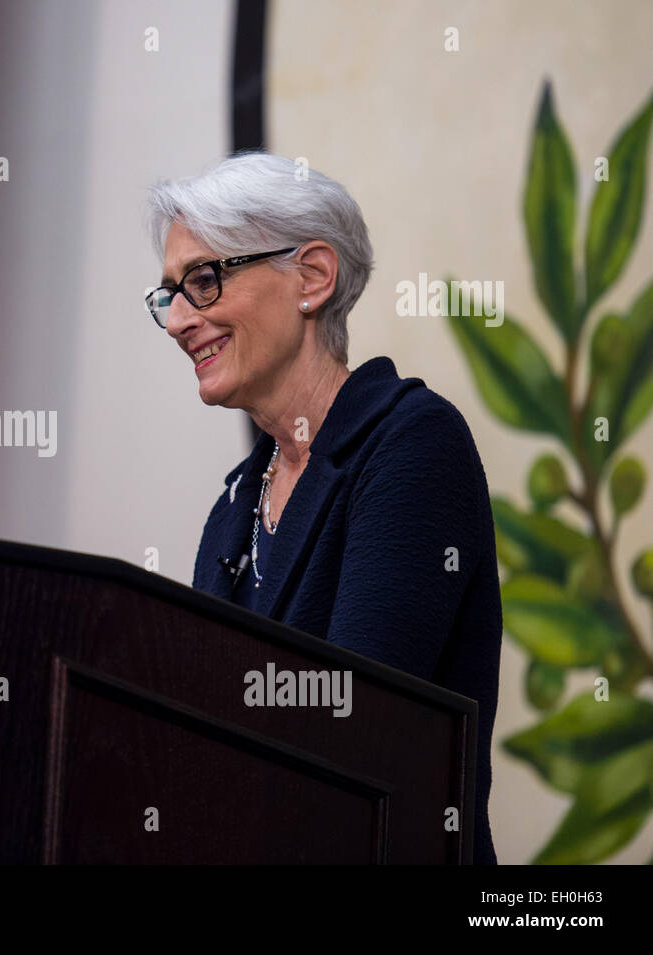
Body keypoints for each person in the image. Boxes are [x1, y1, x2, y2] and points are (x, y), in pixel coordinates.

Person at [144, 151, 502, 864]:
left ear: (311, 276)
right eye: (169, 295)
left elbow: (349, 715)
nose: (180, 320)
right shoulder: (235, 505)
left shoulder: (411, 444)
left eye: (205, 281)